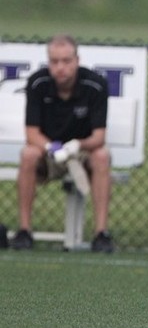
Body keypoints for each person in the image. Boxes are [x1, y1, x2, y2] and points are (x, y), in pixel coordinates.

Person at [10, 34, 114, 252]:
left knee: (102, 156)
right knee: (28, 154)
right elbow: (32, 133)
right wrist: (52, 148)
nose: (60, 68)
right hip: (48, 153)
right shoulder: (38, 83)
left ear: (77, 60)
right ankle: (24, 231)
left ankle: (101, 234)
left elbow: (99, 137)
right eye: (55, 62)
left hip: (81, 152)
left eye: (66, 61)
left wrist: (77, 145)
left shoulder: (95, 85)